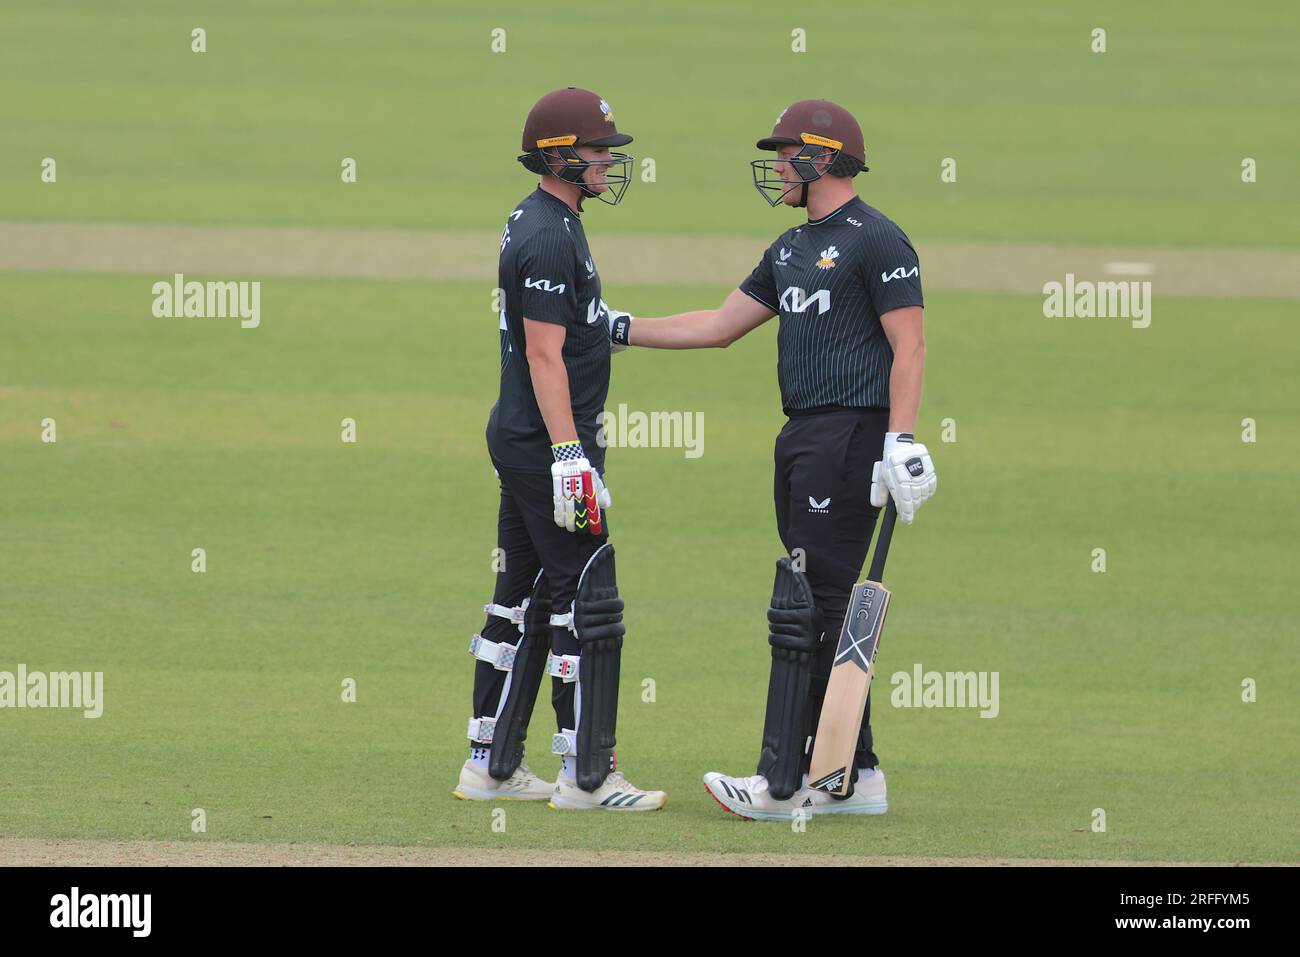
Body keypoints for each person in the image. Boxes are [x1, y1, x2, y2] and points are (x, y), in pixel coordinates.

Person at [604, 99, 937, 820]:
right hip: (803, 439)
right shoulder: (788, 246)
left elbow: (909, 344)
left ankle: (781, 781)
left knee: (809, 607)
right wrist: (620, 328)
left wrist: (901, 440)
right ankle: (855, 774)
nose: (777, 165)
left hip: (852, 435)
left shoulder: (878, 240)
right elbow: (721, 326)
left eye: (787, 153)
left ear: (823, 157)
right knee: (821, 601)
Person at [454, 87, 666, 811]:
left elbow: (568, 329)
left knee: (518, 595)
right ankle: (588, 774)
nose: (610, 160)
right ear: (559, 155)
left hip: (521, 437)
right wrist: (571, 457)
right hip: (546, 444)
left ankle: (491, 762)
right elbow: (545, 355)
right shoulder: (550, 233)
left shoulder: (544, 220)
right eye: (599, 149)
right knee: (585, 594)